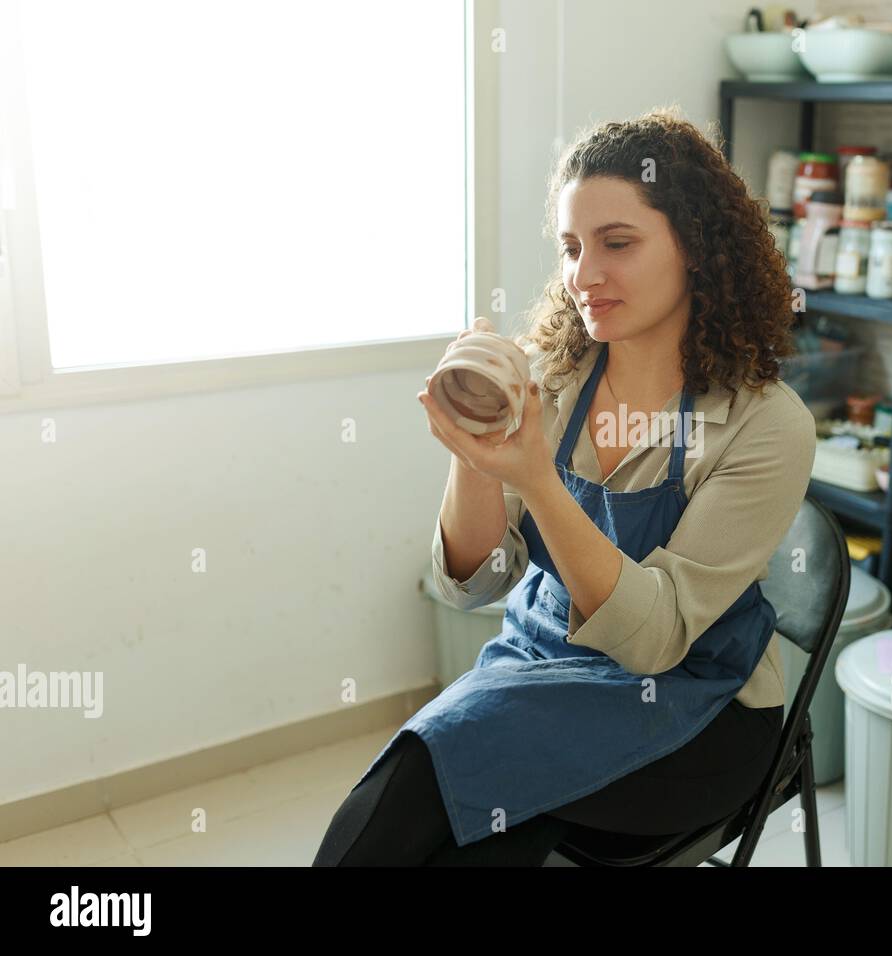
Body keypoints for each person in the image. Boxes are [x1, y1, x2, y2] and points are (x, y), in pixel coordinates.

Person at [313, 106, 816, 867]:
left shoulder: (765, 425)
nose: (584, 276)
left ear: (698, 248)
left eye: (618, 244)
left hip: (694, 709)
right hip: (542, 665)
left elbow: (654, 643)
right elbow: (470, 587)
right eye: (572, 248)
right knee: (466, 833)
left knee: (429, 764)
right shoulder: (551, 377)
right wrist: (478, 448)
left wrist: (538, 481)